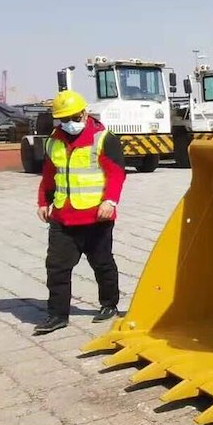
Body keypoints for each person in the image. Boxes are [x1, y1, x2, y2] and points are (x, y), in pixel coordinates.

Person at [34, 90, 126, 335]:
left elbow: (117, 173)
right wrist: (44, 201)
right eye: (63, 119)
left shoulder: (104, 138)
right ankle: (57, 315)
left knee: (102, 263)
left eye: (74, 117)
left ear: (85, 113)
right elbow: (49, 175)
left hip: (97, 216)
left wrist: (111, 201)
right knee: (56, 267)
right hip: (63, 217)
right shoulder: (53, 141)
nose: (69, 123)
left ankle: (109, 305)